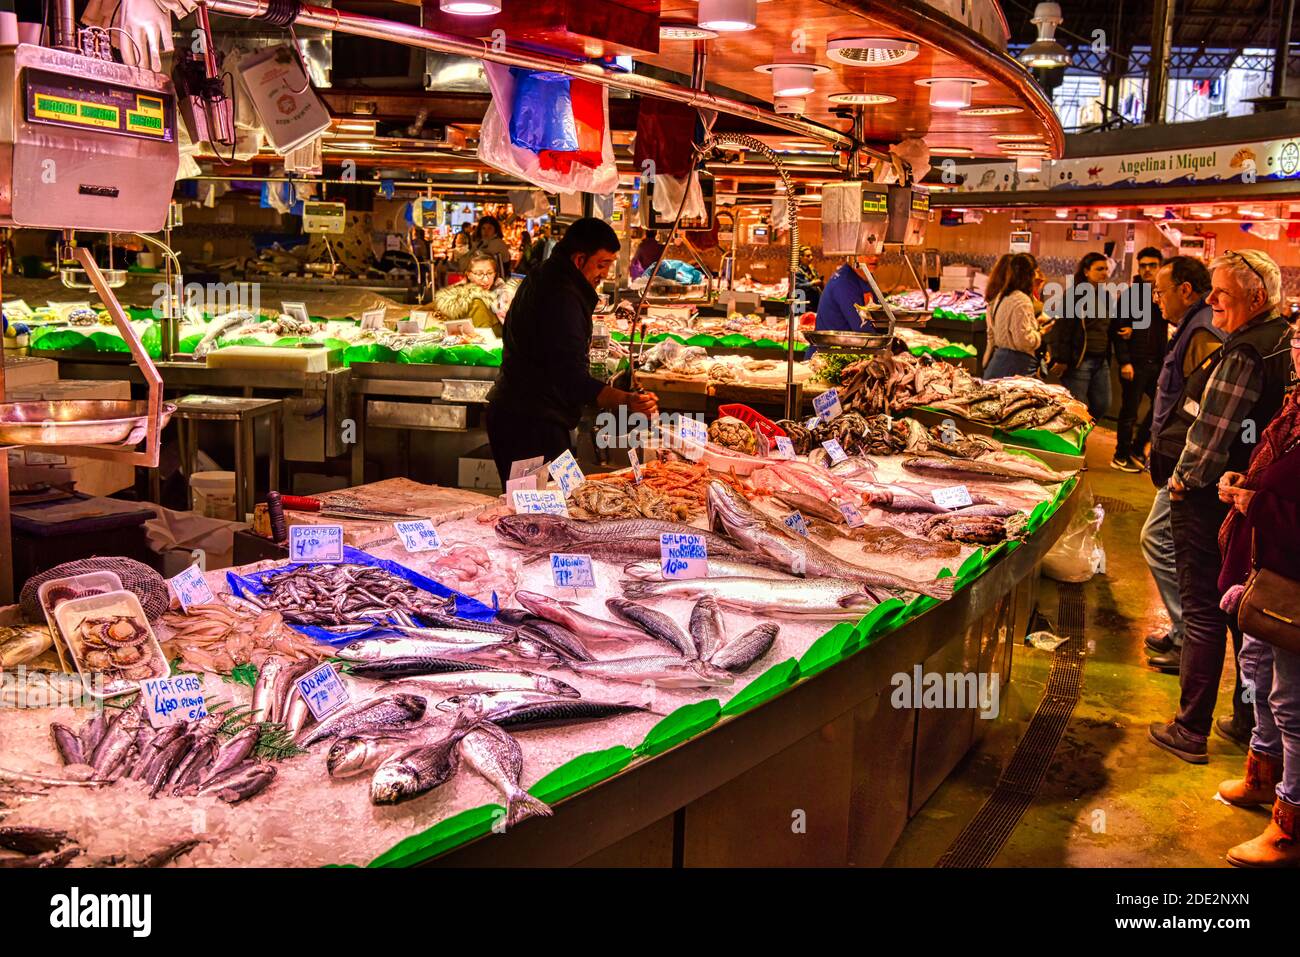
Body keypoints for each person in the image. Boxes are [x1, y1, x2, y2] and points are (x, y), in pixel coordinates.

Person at [1149, 249, 1292, 764]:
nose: (1211, 301)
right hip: (1242, 496)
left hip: (1212, 496)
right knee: (1236, 610)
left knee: (1205, 610)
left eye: (1222, 293)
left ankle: (1190, 730)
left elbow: (1211, 432)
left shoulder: (1244, 352)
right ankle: (1248, 720)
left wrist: (1184, 481)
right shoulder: (1278, 339)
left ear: (1255, 298)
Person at [1215, 324, 1300, 866]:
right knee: (1258, 675)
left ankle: (1290, 826)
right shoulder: (1295, 406)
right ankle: (1263, 775)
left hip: (1293, 586)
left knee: (1293, 703)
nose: (1296, 345)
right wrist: (1246, 488)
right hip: (1263, 574)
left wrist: (1255, 505)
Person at [486, 217, 658, 484]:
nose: (603, 275)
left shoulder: (547, 276)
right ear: (579, 260)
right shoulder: (561, 296)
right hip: (529, 424)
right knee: (538, 513)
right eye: (601, 265)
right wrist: (625, 401)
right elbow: (570, 378)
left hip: (525, 416)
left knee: (551, 504)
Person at [1142, 256, 1225, 674]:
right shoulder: (1192, 327)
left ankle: (1188, 636)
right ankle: (1182, 634)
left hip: (1188, 467)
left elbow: (1207, 408)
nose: (1156, 298)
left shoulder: (1204, 332)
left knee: (1158, 540)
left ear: (1185, 290)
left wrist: (1182, 465)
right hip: (1175, 457)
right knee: (1168, 543)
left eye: (1160, 290)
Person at [1112, 247, 1167, 472]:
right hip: (1134, 364)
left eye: (1152, 265)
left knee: (1159, 409)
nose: (1147, 270)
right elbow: (1117, 330)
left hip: (1159, 363)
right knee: (1129, 412)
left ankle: (1137, 449)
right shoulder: (1131, 295)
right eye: (1143, 265)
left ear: (1160, 267)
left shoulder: (1162, 294)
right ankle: (1120, 454)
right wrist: (1124, 361)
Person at [1047, 252, 1120, 419]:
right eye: (1099, 269)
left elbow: (1107, 325)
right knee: (1077, 408)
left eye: (1106, 269)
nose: (1104, 273)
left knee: (1102, 404)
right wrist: (1062, 358)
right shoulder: (1075, 295)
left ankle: (1083, 432)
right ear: (1086, 271)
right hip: (1079, 360)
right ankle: (1078, 443)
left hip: (1101, 360)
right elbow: (1064, 327)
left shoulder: (1106, 296)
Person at [983, 252, 1053, 379]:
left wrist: (1036, 324)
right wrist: (1042, 332)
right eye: (1035, 272)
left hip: (998, 361)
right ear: (1029, 275)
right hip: (1015, 365)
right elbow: (1024, 341)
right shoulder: (1022, 300)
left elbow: (1011, 330)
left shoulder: (1002, 297)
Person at [433, 252, 514, 337]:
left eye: (490, 273)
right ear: (469, 275)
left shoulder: (505, 295)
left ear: (495, 274)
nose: (486, 280)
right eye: (479, 274)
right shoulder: (475, 302)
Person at [816, 254, 880, 335]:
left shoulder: (867, 276)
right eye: (867, 253)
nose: (874, 258)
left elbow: (876, 315)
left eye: (877, 253)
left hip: (853, 344)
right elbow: (862, 330)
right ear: (853, 255)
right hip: (833, 346)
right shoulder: (844, 282)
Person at [794, 245, 823, 313]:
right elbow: (796, 286)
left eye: (811, 255)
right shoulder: (796, 271)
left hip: (813, 303)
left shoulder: (811, 269)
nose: (811, 258)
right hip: (801, 303)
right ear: (800, 258)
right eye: (808, 256)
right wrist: (812, 283)